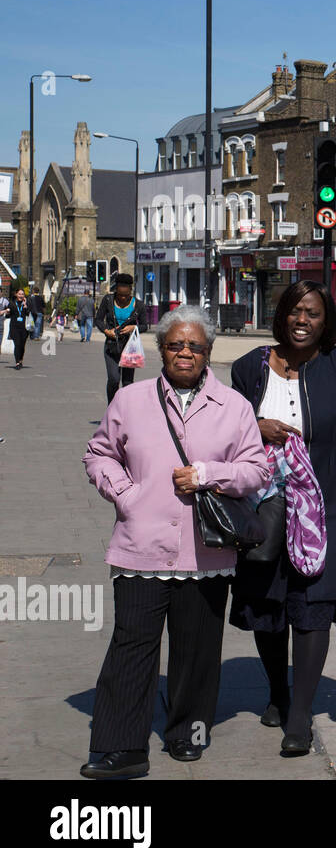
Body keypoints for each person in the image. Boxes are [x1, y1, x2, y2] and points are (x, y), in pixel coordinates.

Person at [80, 306, 270, 779]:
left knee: (198, 647)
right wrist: (127, 495)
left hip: (206, 550)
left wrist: (209, 474)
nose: (185, 353)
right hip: (140, 546)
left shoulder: (235, 406)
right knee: (132, 644)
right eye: (175, 344)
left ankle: (188, 731)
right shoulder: (131, 401)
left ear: (208, 352)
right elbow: (99, 454)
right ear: (161, 348)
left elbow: (257, 471)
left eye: (195, 346)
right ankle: (120, 746)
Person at [228, 280, 336, 756]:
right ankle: (278, 691)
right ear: (282, 315)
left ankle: (300, 716)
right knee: (268, 605)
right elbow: (226, 431)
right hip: (263, 507)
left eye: (313, 313)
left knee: (314, 606)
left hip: (326, 506)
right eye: (296, 311)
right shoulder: (248, 368)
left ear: (326, 322)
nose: (303, 320)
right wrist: (256, 426)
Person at [96, 275, 145, 404]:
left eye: (126, 295)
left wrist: (134, 327)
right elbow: (98, 320)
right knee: (114, 379)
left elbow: (145, 325)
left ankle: (125, 411)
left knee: (128, 383)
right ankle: (111, 408)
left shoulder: (139, 304)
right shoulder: (107, 300)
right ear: (116, 290)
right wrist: (107, 331)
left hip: (130, 347)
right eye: (120, 295)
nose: (123, 298)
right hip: (112, 346)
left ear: (130, 290)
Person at [8, 288, 31, 368]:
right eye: (19, 294)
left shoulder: (26, 304)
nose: (21, 295)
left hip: (24, 328)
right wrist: (7, 312)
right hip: (14, 327)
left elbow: (29, 314)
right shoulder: (11, 304)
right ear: (16, 294)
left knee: (22, 346)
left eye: (22, 294)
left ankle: (21, 359)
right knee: (17, 344)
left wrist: (26, 307)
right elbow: (8, 316)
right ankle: (17, 362)